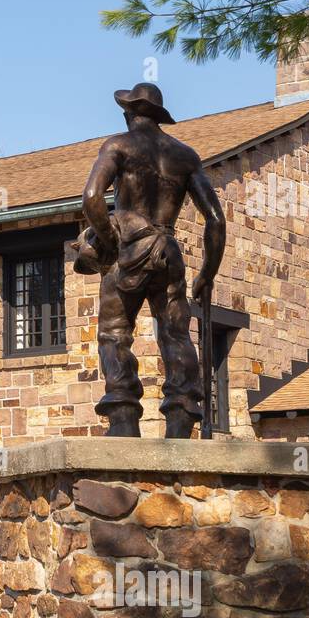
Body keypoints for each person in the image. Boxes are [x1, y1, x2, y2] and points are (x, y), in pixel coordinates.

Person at [75, 83, 226, 438]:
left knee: (114, 333)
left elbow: (92, 196)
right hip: (167, 249)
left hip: (129, 248)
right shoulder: (185, 156)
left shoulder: (119, 146)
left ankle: (123, 415)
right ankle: (182, 416)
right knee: (175, 335)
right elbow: (216, 220)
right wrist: (207, 273)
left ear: (129, 113)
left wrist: (110, 243)